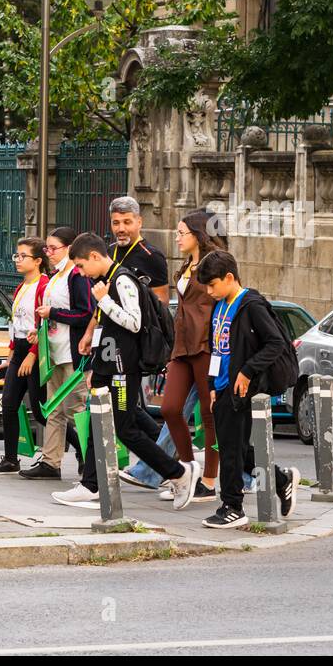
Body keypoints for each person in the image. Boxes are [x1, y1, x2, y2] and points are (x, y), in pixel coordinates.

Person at [52, 233, 202, 509]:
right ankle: (91, 485)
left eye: (83, 267)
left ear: (95, 257)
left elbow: (134, 323)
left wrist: (104, 302)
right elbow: (110, 326)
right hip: (108, 365)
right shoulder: (105, 281)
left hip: (124, 368)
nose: (82, 275)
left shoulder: (122, 280)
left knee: (125, 429)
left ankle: (178, 472)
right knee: (98, 421)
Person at [120, 209, 224, 503]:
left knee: (209, 416)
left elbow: (220, 305)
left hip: (205, 346)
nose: (177, 238)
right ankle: (185, 471)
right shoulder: (186, 264)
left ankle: (209, 480)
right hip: (181, 347)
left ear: (199, 234)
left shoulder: (212, 264)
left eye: (182, 233)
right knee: (170, 409)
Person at [197, 249, 300, 529]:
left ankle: (232, 506)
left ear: (229, 277)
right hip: (222, 386)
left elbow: (276, 343)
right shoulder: (220, 305)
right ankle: (282, 479)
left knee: (231, 450)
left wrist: (247, 371)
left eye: (212, 285)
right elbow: (217, 348)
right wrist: (211, 385)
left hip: (242, 388)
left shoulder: (251, 304)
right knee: (236, 449)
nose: (209, 291)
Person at [78, 197, 168, 449]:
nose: (121, 228)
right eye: (116, 222)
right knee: (120, 407)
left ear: (139, 222)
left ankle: (168, 458)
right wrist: (89, 334)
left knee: (124, 412)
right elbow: (100, 302)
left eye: (127, 222)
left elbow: (159, 305)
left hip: (134, 343)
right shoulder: (108, 252)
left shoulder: (152, 256)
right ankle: (95, 473)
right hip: (109, 341)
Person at [19, 226, 91, 480]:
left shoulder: (77, 275)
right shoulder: (58, 275)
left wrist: (54, 314)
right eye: (47, 248)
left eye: (53, 248)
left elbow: (85, 314)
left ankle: (89, 459)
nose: (48, 252)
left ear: (69, 249)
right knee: (54, 409)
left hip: (72, 354)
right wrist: (39, 330)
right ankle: (51, 461)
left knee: (76, 408)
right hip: (54, 351)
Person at [0, 237, 50, 476]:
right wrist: (10, 356)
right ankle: (11, 459)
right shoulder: (21, 286)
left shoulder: (43, 286)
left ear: (38, 261)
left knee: (41, 410)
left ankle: (81, 451)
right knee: (9, 404)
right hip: (19, 351)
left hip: (36, 351)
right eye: (17, 255)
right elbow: (16, 325)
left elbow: (42, 326)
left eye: (23, 256)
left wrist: (32, 355)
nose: (18, 260)